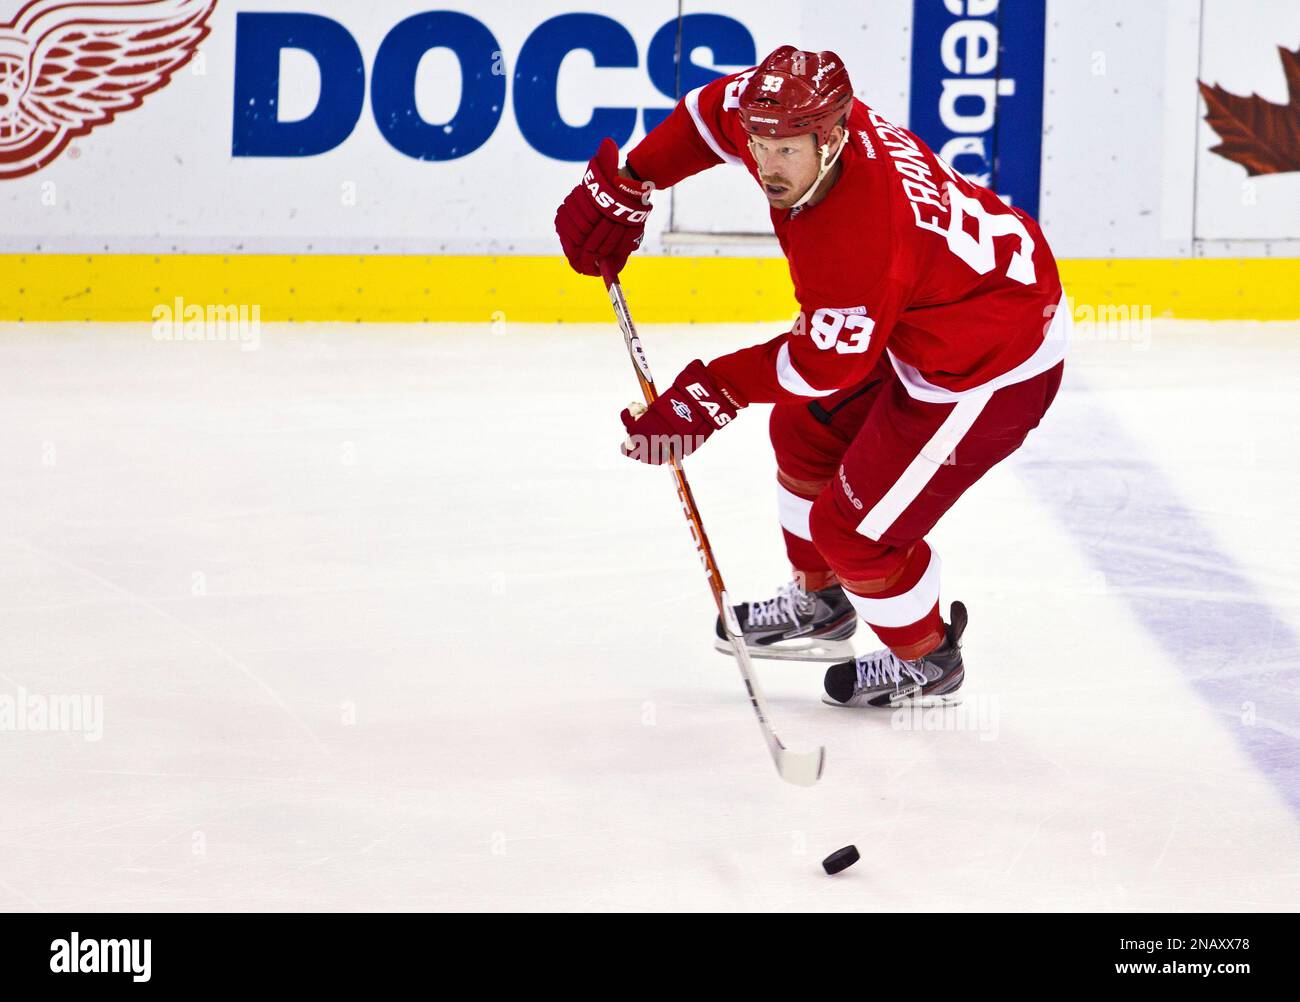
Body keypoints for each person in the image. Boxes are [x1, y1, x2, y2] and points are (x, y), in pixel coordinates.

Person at [553, 46, 1067, 709]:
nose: (766, 164)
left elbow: (825, 364)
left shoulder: (863, 237)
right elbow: (710, 117)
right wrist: (632, 179)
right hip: (924, 314)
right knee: (800, 430)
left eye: (787, 150)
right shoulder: (786, 116)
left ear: (833, 137)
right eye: (760, 145)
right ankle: (821, 604)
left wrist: (711, 395)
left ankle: (928, 658)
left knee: (854, 535)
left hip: (989, 366)